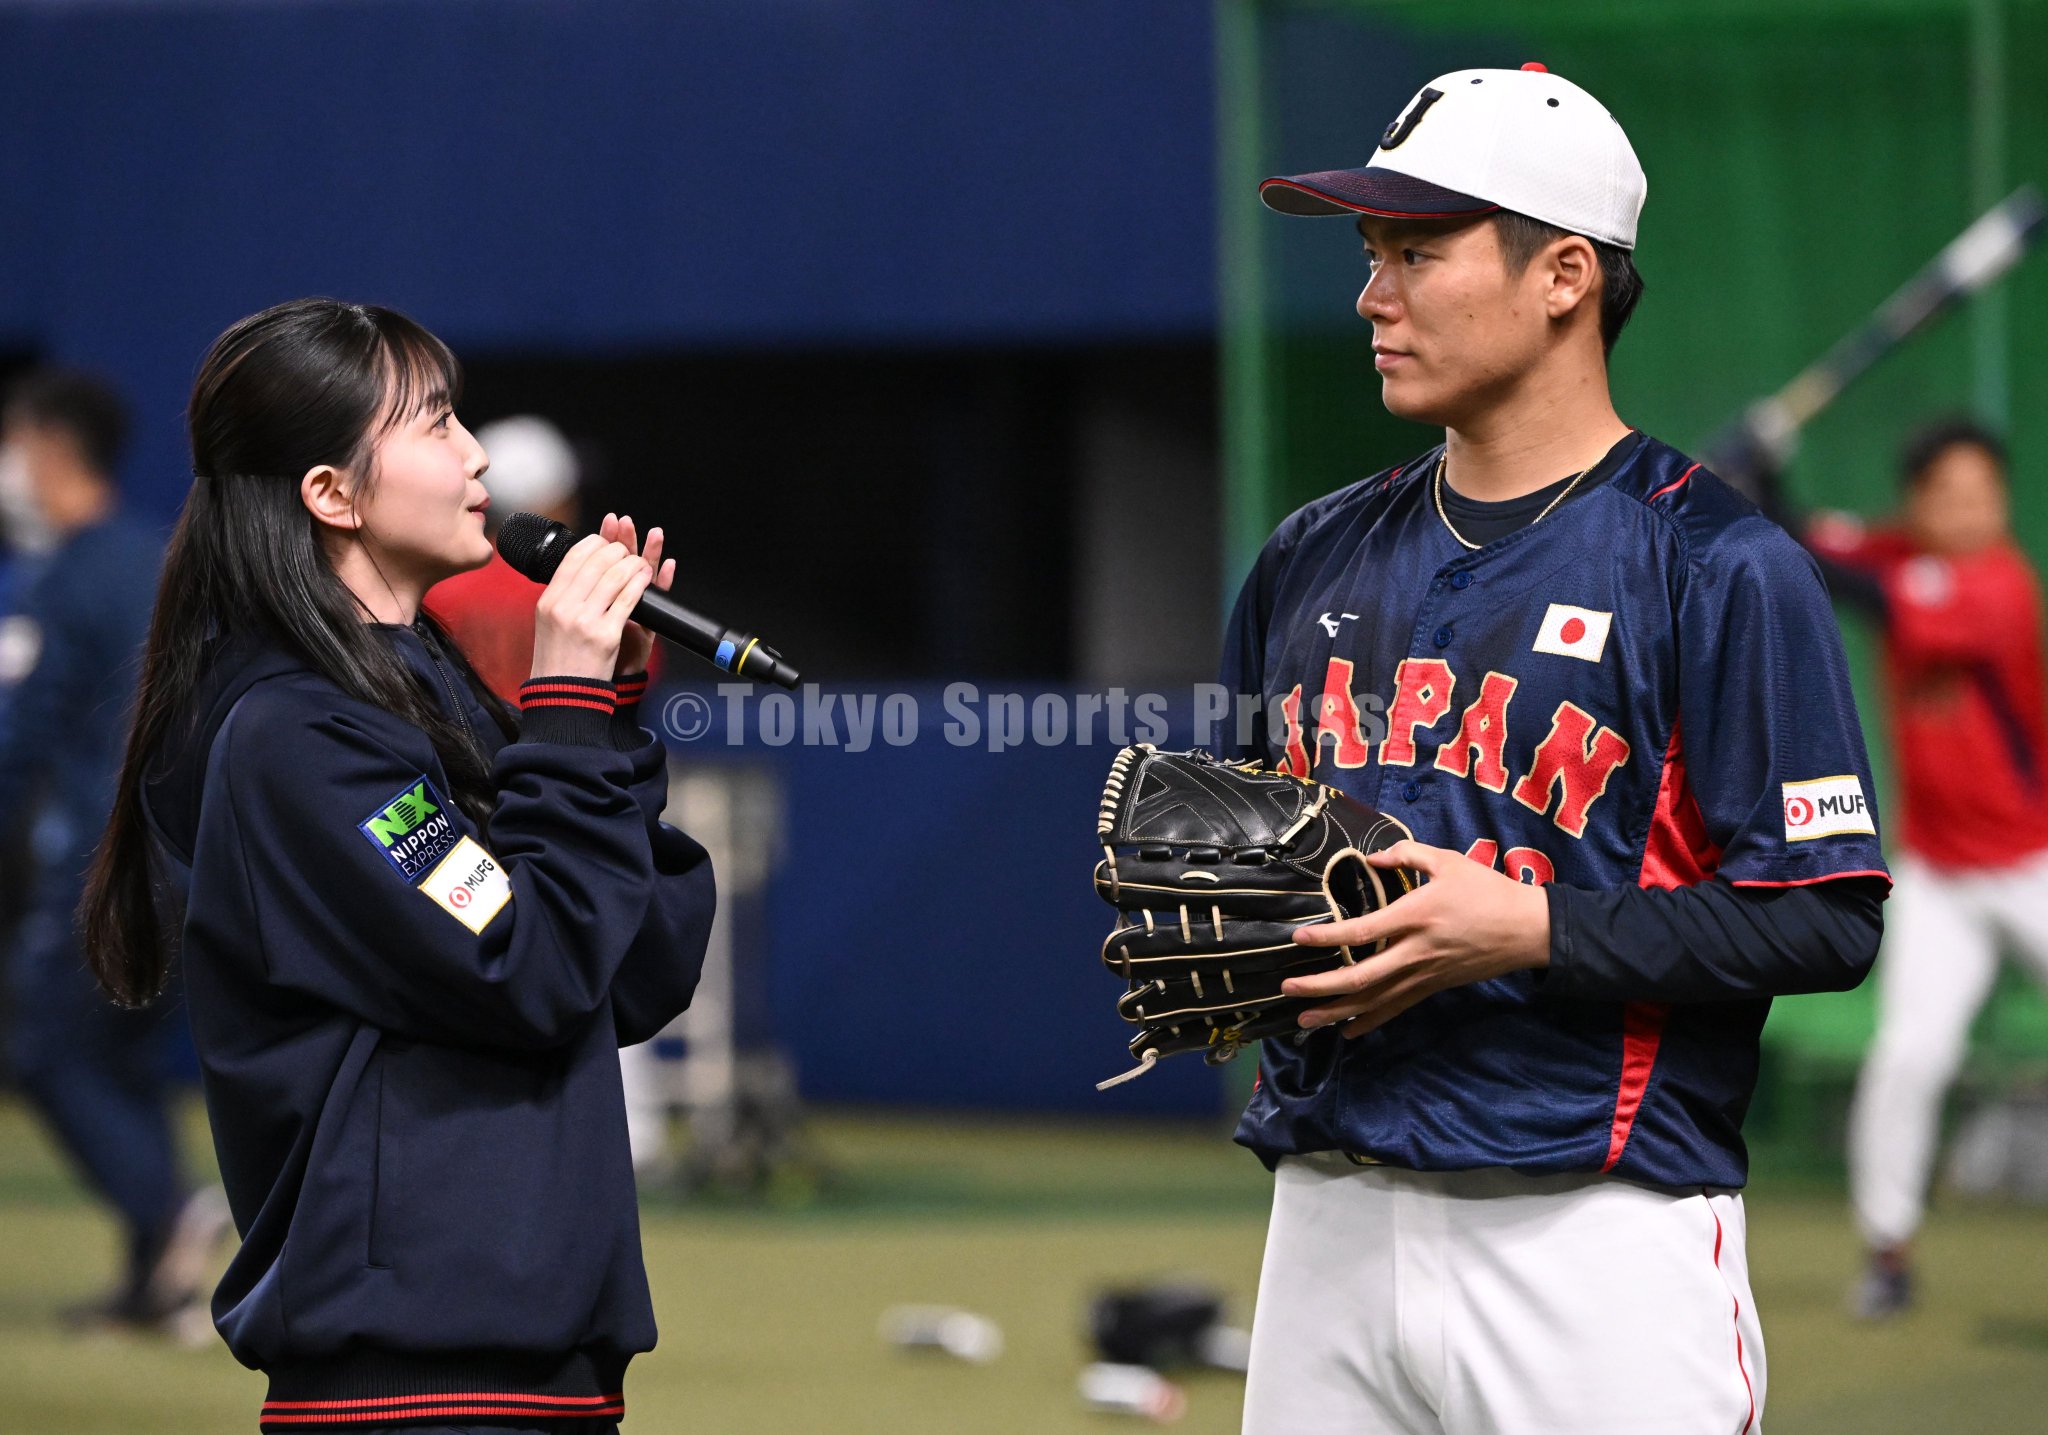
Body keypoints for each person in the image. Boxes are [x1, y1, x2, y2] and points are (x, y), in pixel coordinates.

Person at [1223, 66, 1889, 1433]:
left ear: (1564, 275)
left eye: (1419, 248)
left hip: (1593, 1226)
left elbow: (1825, 916)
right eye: (1369, 251)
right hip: (1327, 1213)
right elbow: (1247, 849)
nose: (1374, 293)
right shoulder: (1308, 555)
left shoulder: (1717, 563)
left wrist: (1532, 927)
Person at [79, 298, 716, 1433]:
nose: (475, 453)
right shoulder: (295, 736)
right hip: (412, 1367)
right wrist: (561, 709)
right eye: (432, 423)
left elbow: (637, 968)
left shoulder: (423, 689)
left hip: (532, 1342)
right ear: (329, 492)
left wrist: (606, 718)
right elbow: (528, 968)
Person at [1777, 420, 2048, 1318]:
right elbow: (1814, 546)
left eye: (1986, 495)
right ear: (1921, 503)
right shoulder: (1905, 550)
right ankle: (1888, 1249)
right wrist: (1764, 475)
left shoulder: (1999, 584)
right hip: (1940, 876)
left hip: (2033, 860)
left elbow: (1868, 592)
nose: (1972, 511)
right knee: (1907, 1057)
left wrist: (1773, 495)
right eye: (1952, 495)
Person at [0, 369, 228, 1332]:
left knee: (47, 1052)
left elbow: (21, 738)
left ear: (50, 446)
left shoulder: (69, 575)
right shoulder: (160, 558)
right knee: (123, 1063)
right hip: (189, 856)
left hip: (106, 862)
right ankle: (153, 1281)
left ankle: (169, 1216)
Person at [427, 414, 583, 705]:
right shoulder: (581, 585)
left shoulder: (436, 583)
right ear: (555, 502)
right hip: (560, 737)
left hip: (465, 743)